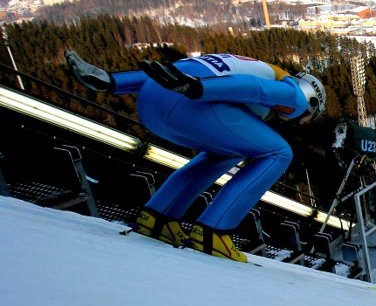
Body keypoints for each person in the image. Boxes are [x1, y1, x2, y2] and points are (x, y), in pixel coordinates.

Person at [65, 51, 326, 263]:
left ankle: (159, 217)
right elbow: (256, 89)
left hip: (152, 101)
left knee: (227, 152)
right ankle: (215, 231)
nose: (300, 121)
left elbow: (168, 72)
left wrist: (113, 82)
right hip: (192, 100)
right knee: (279, 152)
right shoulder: (293, 92)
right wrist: (197, 88)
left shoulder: (254, 64)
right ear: (311, 99)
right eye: (307, 117)